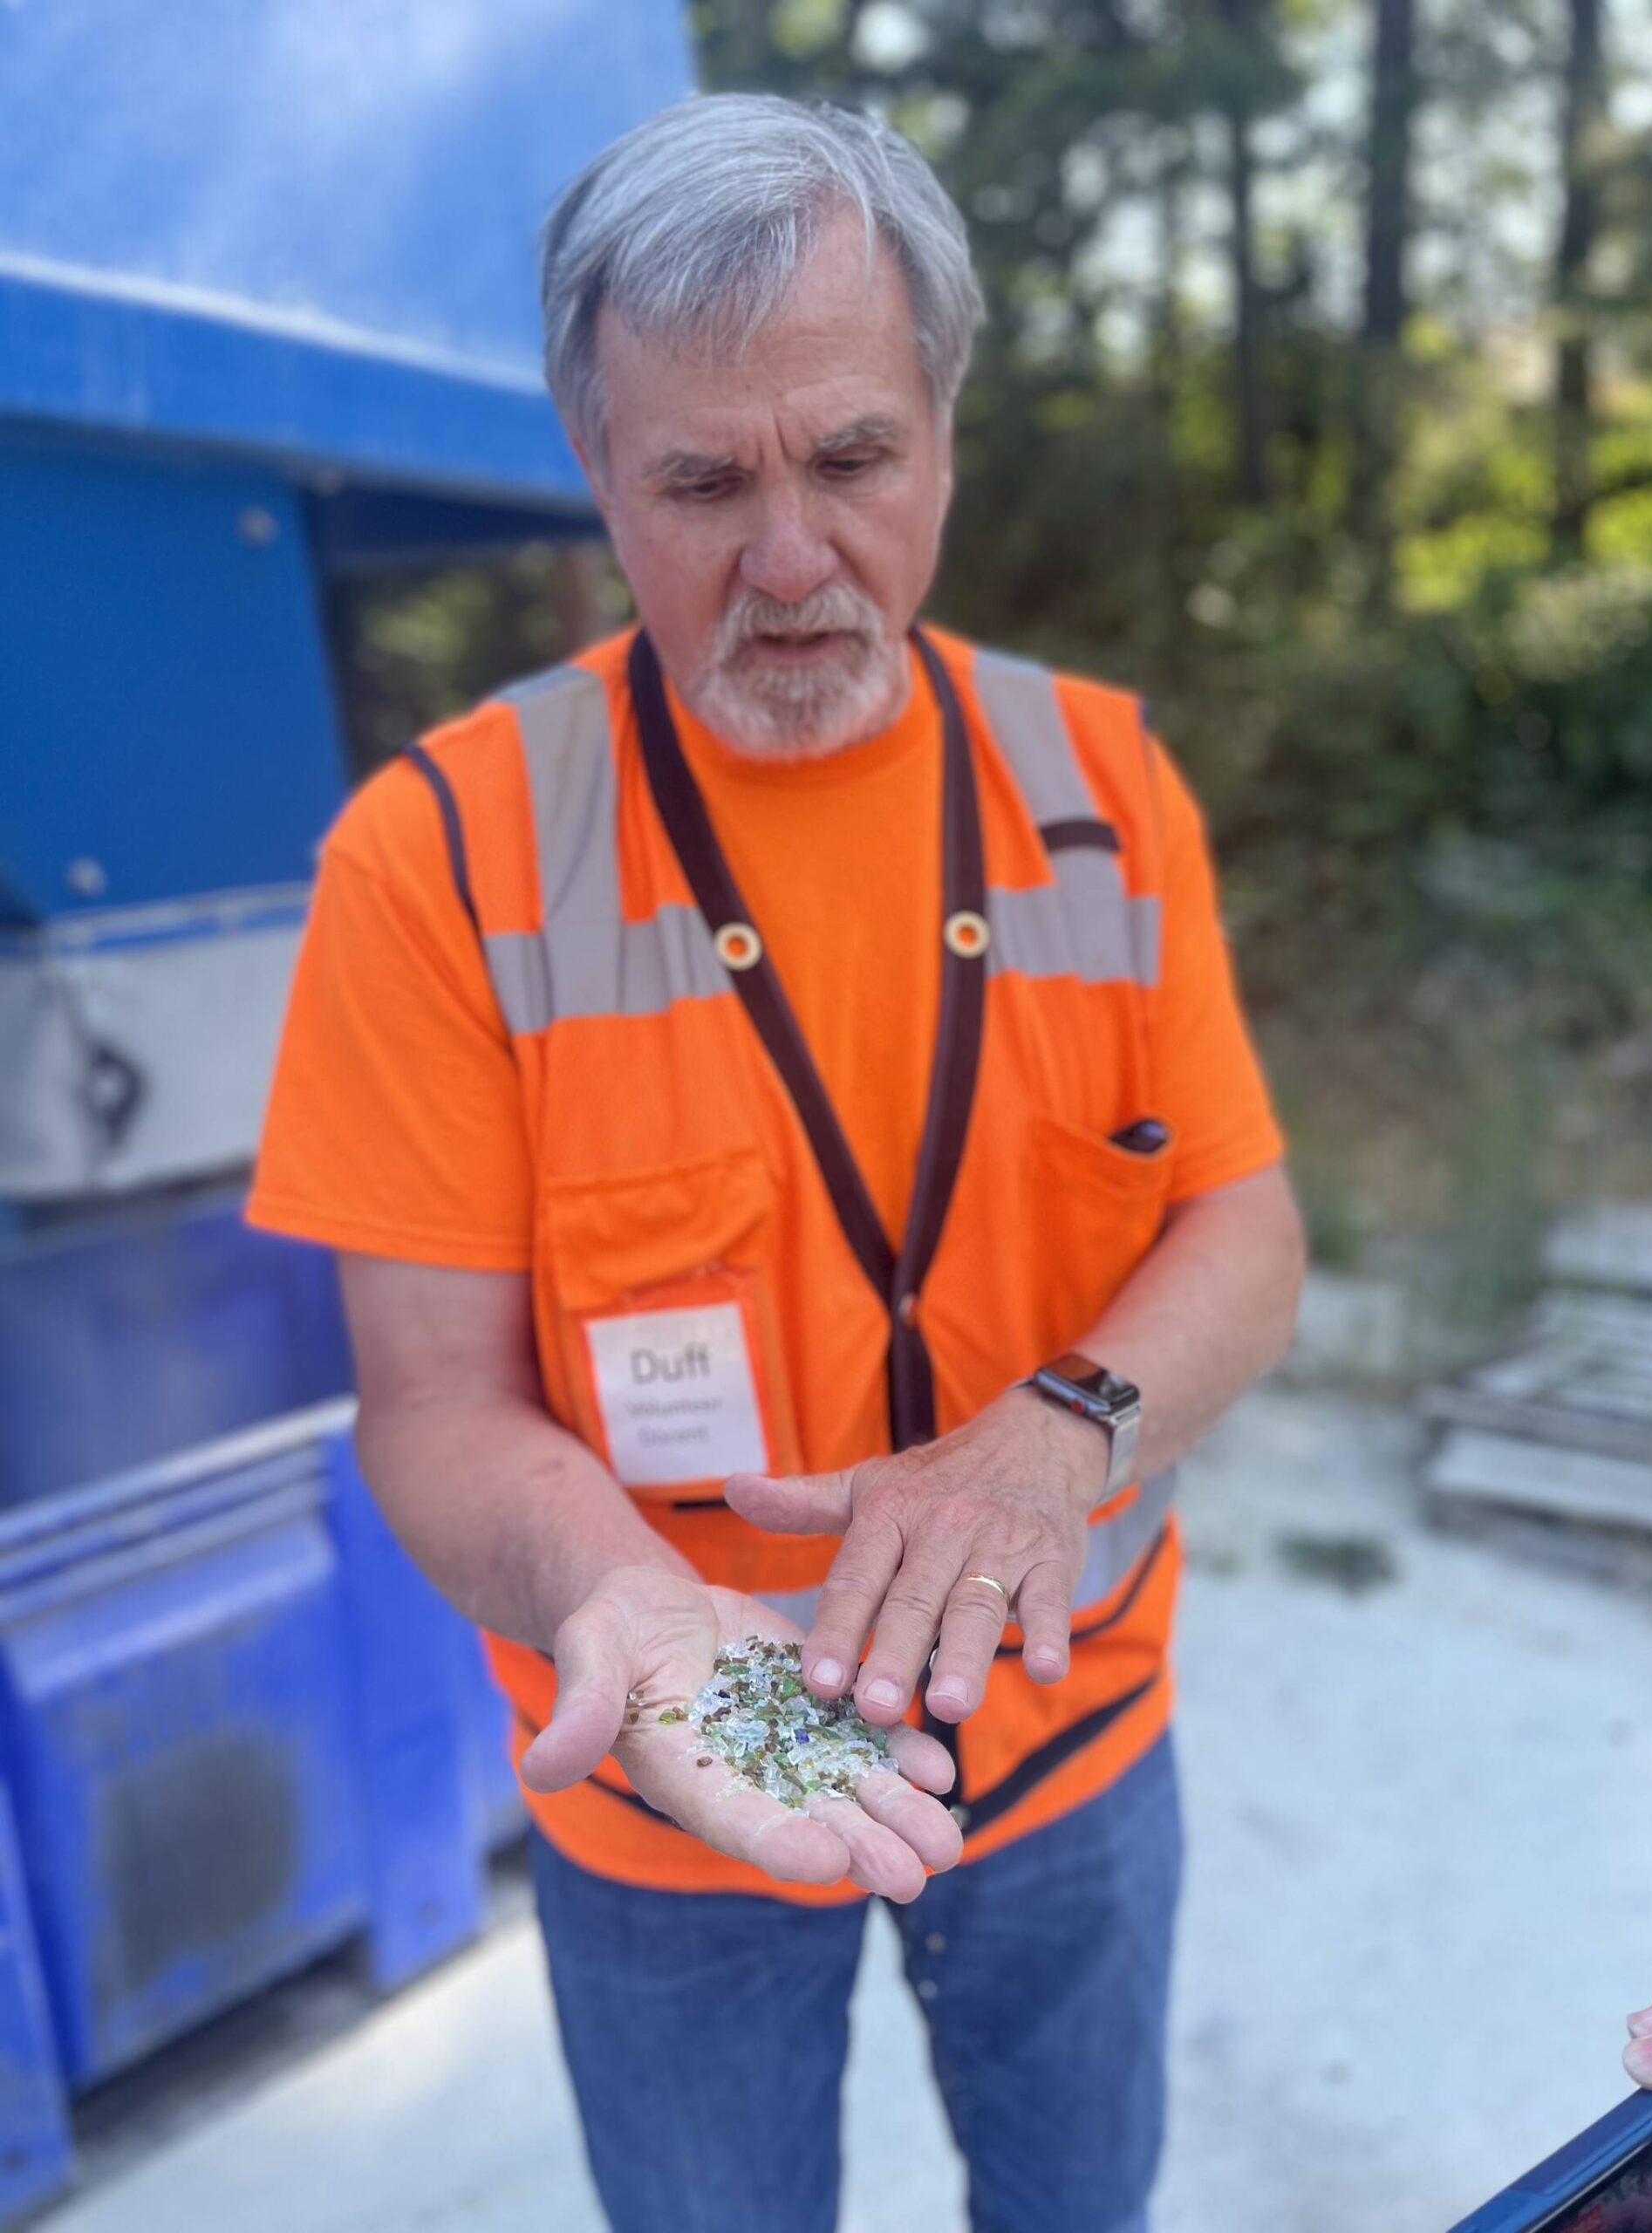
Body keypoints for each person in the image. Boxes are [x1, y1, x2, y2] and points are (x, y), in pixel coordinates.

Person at [249, 93, 1307, 2233]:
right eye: (704, 481)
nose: (795, 556)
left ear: (946, 424)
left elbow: (1244, 1221)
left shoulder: (1096, 782)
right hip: (676, 1797)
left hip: (1077, 1738)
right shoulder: (437, 855)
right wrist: (603, 1590)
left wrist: (1053, 1436)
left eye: (850, 457)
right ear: (595, 476)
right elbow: (434, 1399)